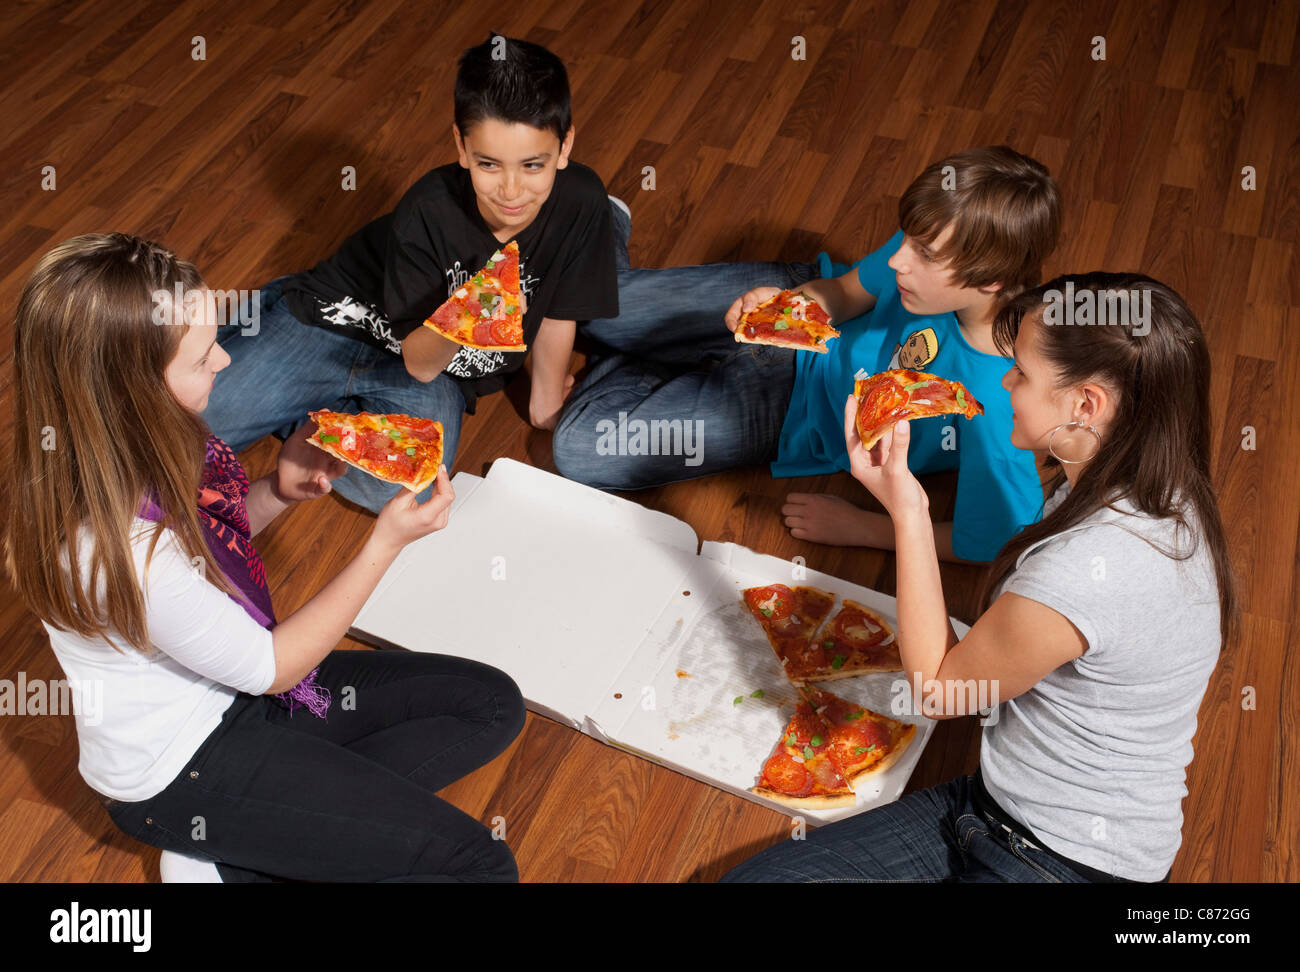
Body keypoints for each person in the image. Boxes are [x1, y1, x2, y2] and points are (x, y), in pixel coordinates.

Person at [5, 234, 525, 882]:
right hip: (186, 765)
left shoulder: (127, 448)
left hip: (232, 690)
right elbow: (273, 668)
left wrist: (279, 493)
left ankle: (251, 852)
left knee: (491, 706)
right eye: (201, 359)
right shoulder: (122, 552)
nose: (224, 358)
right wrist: (384, 544)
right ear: (134, 386)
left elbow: (202, 556)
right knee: (479, 865)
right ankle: (251, 838)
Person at [722, 271, 1234, 883]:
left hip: (1067, 862)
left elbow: (940, 691)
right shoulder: (1154, 483)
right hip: (988, 807)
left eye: (1020, 372)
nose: (1005, 383)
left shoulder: (1091, 567)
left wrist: (906, 507)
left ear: (1086, 405)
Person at [553, 146, 1061, 562]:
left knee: (580, 448)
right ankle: (603, 220)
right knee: (594, 310)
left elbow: (991, 540)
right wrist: (783, 310)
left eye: (924, 255)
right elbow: (843, 293)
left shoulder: (1007, 400)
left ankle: (638, 351)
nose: (899, 258)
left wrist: (864, 528)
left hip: (795, 415)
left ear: (991, 279)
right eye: (906, 238)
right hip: (800, 315)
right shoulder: (928, 243)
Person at [202, 34, 621, 514]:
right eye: (488, 164)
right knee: (194, 426)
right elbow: (420, 357)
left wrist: (544, 403)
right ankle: (275, 316)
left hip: (432, 372)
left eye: (532, 165)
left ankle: (312, 420)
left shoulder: (583, 200)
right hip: (335, 321)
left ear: (564, 147)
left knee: (408, 489)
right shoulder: (426, 209)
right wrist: (475, 314)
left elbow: (557, 309)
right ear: (461, 147)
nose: (511, 190)